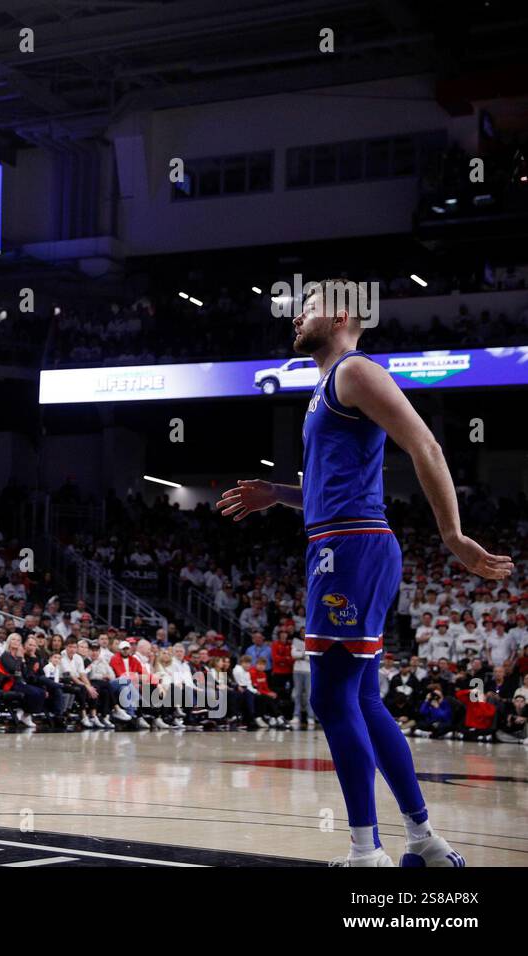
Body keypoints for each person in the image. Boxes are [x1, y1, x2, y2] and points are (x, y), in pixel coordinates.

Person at [217, 281, 511, 867]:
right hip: (341, 542)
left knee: (329, 698)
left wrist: (451, 534)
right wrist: (276, 493)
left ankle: (364, 854)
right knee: (363, 698)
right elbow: (330, 489)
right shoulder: (326, 387)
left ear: (344, 314)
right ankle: (422, 839)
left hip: (351, 547)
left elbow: (424, 444)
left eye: (310, 306)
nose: (297, 316)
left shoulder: (354, 371)